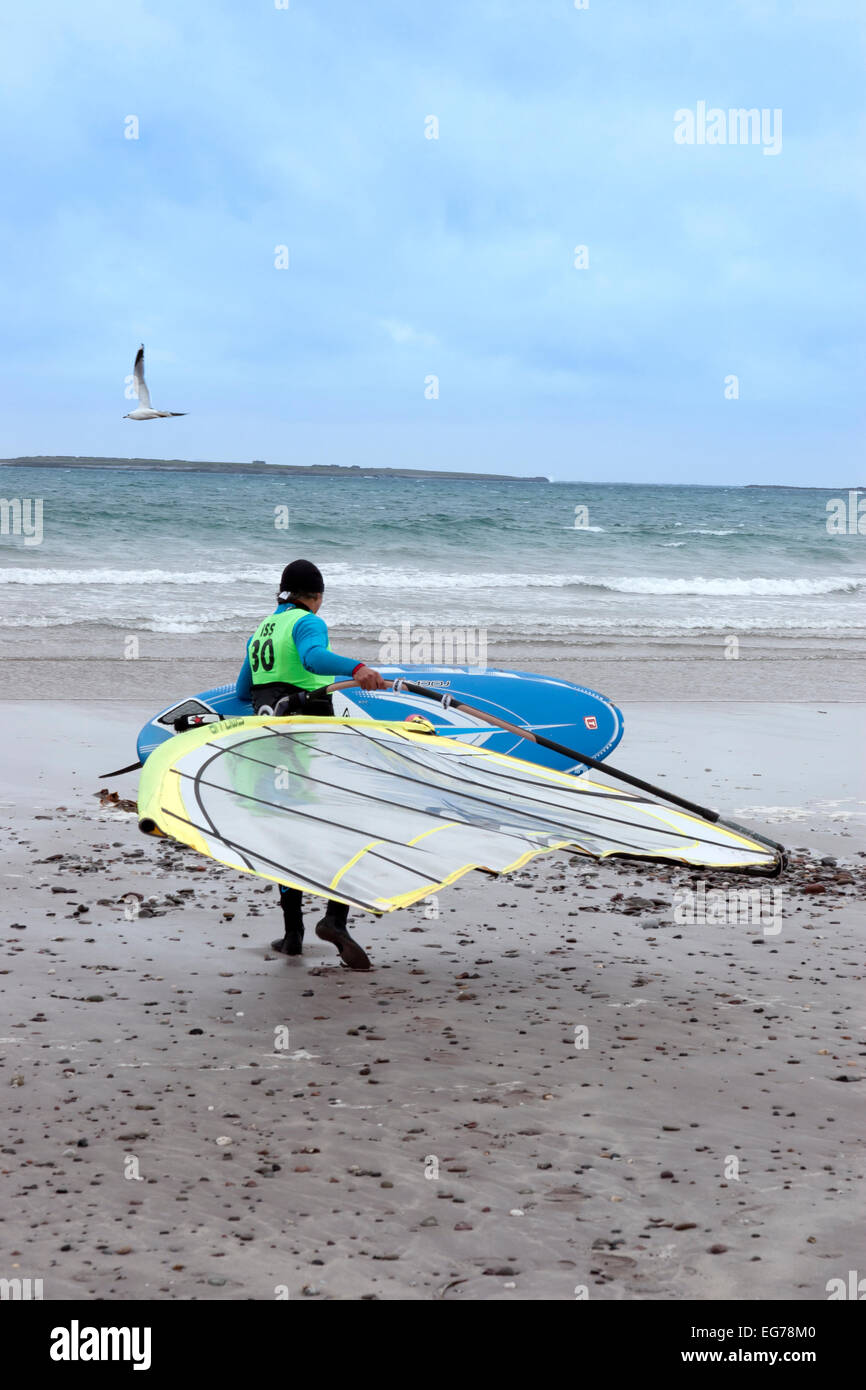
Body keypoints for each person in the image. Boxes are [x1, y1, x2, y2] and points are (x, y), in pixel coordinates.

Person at [236, 559, 385, 970]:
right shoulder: (307, 622)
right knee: (343, 823)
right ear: (315, 596)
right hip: (309, 743)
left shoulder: (262, 629)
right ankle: (335, 919)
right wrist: (357, 669)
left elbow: (242, 689)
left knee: (287, 836)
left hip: (267, 749)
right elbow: (316, 658)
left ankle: (292, 935)